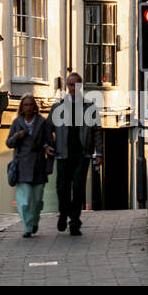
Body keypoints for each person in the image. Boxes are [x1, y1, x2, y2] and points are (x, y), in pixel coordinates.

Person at [49, 72, 100, 236]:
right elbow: (47, 129)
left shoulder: (89, 107)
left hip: (82, 155)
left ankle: (75, 223)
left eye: (76, 84)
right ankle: (64, 213)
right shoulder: (57, 107)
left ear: (81, 86)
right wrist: (46, 145)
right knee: (61, 189)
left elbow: (97, 131)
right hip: (63, 155)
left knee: (78, 189)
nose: (73, 88)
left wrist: (99, 153)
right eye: (70, 84)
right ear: (66, 86)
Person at [6, 95, 54, 237]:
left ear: (35, 107)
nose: (28, 108)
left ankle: (34, 220)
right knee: (25, 200)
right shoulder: (17, 122)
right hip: (22, 165)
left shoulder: (42, 122)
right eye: (25, 105)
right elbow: (9, 143)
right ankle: (28, 227)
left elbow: (50, 144)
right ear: (22, 107)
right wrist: (17, 136)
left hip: (39, 165)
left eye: (30, 105)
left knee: (37, 200)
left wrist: (48, 168)